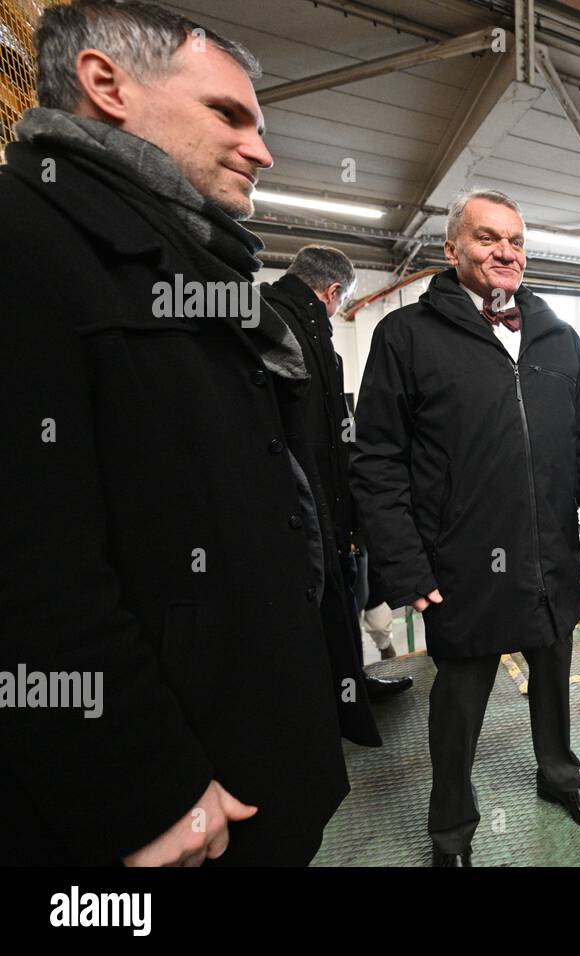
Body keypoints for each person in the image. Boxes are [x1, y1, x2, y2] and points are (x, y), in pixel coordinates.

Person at [0, 0, 371, 865]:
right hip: (167, 806)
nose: (262, 149)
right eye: (228, 114)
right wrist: (141, 788)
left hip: (248, 757)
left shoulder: (190, 260)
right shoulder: (24, 243)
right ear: (106, 85)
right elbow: (27, 570)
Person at [352, 188, 580, 867]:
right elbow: (377, 461)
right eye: (487, 238)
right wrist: (404, 567)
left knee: (553, 675)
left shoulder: (557, 335)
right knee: (460, 701)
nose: (505, 252)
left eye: (516, 241)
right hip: (463, 562)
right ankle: (451, 829)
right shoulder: (407, 336)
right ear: (452, 249)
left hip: (551, 554)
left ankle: (559, 776)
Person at [262, 246, 412, 704]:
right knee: (331, 605)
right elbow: (316, 441)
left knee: (340, 605)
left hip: (301, 511)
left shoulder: (265, 317)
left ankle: (346, 689)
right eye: (341, 303)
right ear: (332, 292)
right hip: (310, 513)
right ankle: (341, 698)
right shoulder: (297, 330)